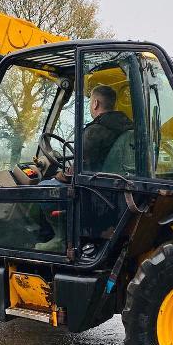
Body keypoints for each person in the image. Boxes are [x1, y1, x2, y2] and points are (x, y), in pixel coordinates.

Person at [35, 85, 133, 251]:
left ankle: (60, 238)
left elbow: (79, 169)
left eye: (90, 103)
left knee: (42, 188)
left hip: (94, 194)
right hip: (114, 191)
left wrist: (58, 176)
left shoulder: (95, 131)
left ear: (95, 103)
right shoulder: (128, 128)